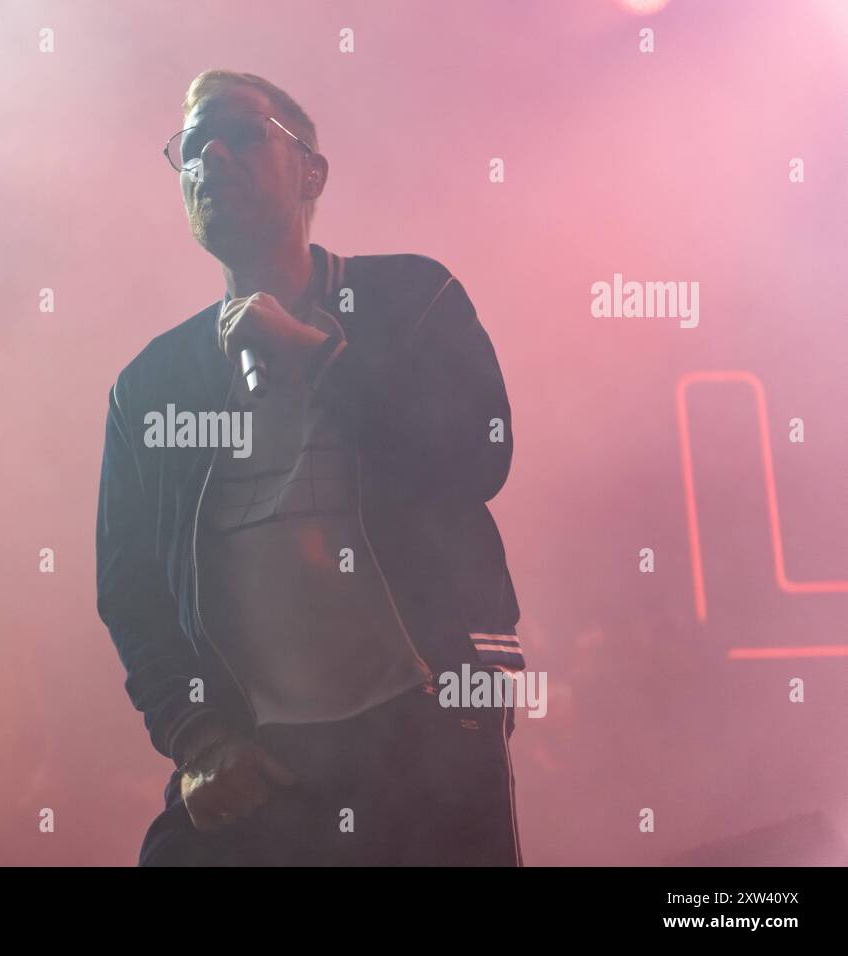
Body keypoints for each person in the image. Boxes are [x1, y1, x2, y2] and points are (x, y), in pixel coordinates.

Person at [95, 69, 525, 865]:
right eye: (192, 146)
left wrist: (323, 358)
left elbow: (481, 453)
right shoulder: (151, 385)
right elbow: (129, 589)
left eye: (241, 134)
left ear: (312, 172)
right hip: (256, 759)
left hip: (424, 726)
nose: (211, 156)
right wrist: (195, 738)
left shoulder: (410, 297)